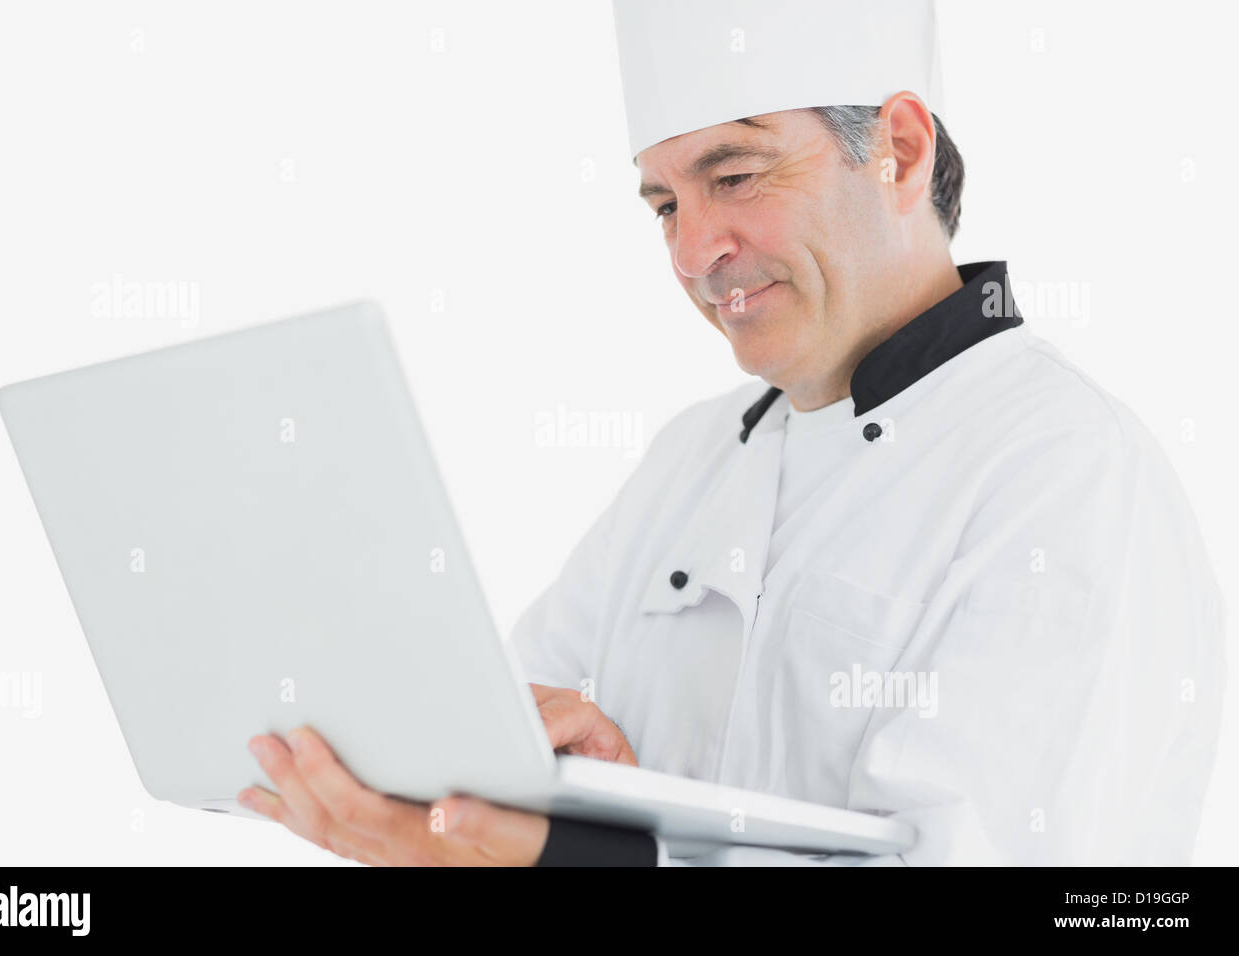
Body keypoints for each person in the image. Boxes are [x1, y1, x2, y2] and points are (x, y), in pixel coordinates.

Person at [238, 0, 1226, 866]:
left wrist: (579, 863)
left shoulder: (1066, 474)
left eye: (737, 176)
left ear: (900, 149)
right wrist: (532, 786)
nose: (692, 250)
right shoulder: (693, 456)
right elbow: (502, 736)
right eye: (664, 203)